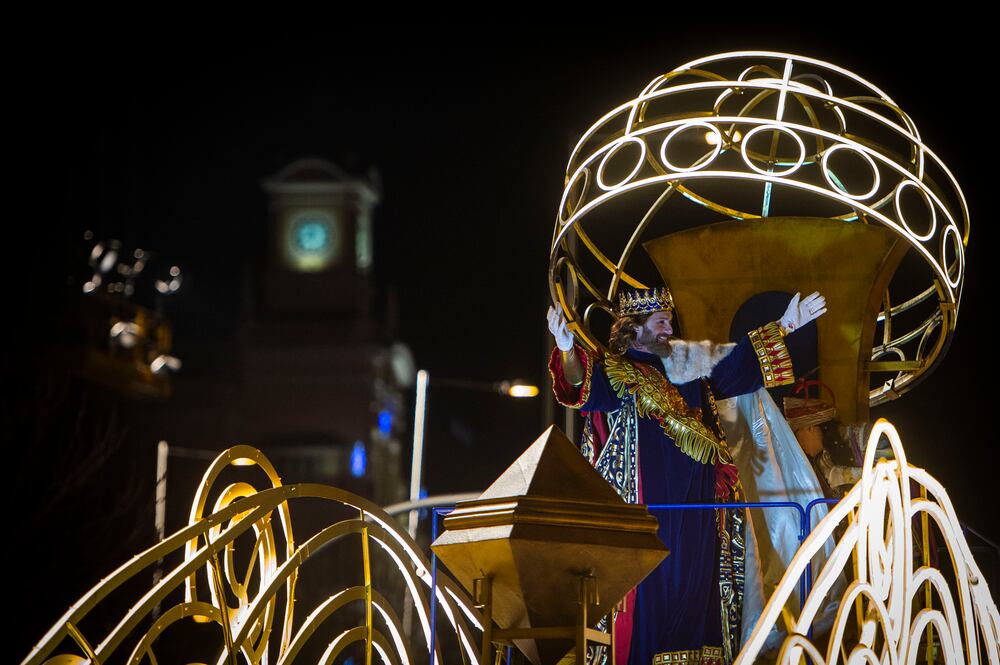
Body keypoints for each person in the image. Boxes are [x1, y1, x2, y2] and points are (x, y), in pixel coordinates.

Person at [547, 288, 826, 665]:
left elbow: (736, 363)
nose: (669, 328)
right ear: (634, 329)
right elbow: (582, 384)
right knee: (649, 609)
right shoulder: (617, 373)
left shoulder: (688, 369)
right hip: (645, 519)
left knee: (699, 602)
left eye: (671, 322)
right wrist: (566, 350)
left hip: (699, 517)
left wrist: (786, 325)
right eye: (660, 322)